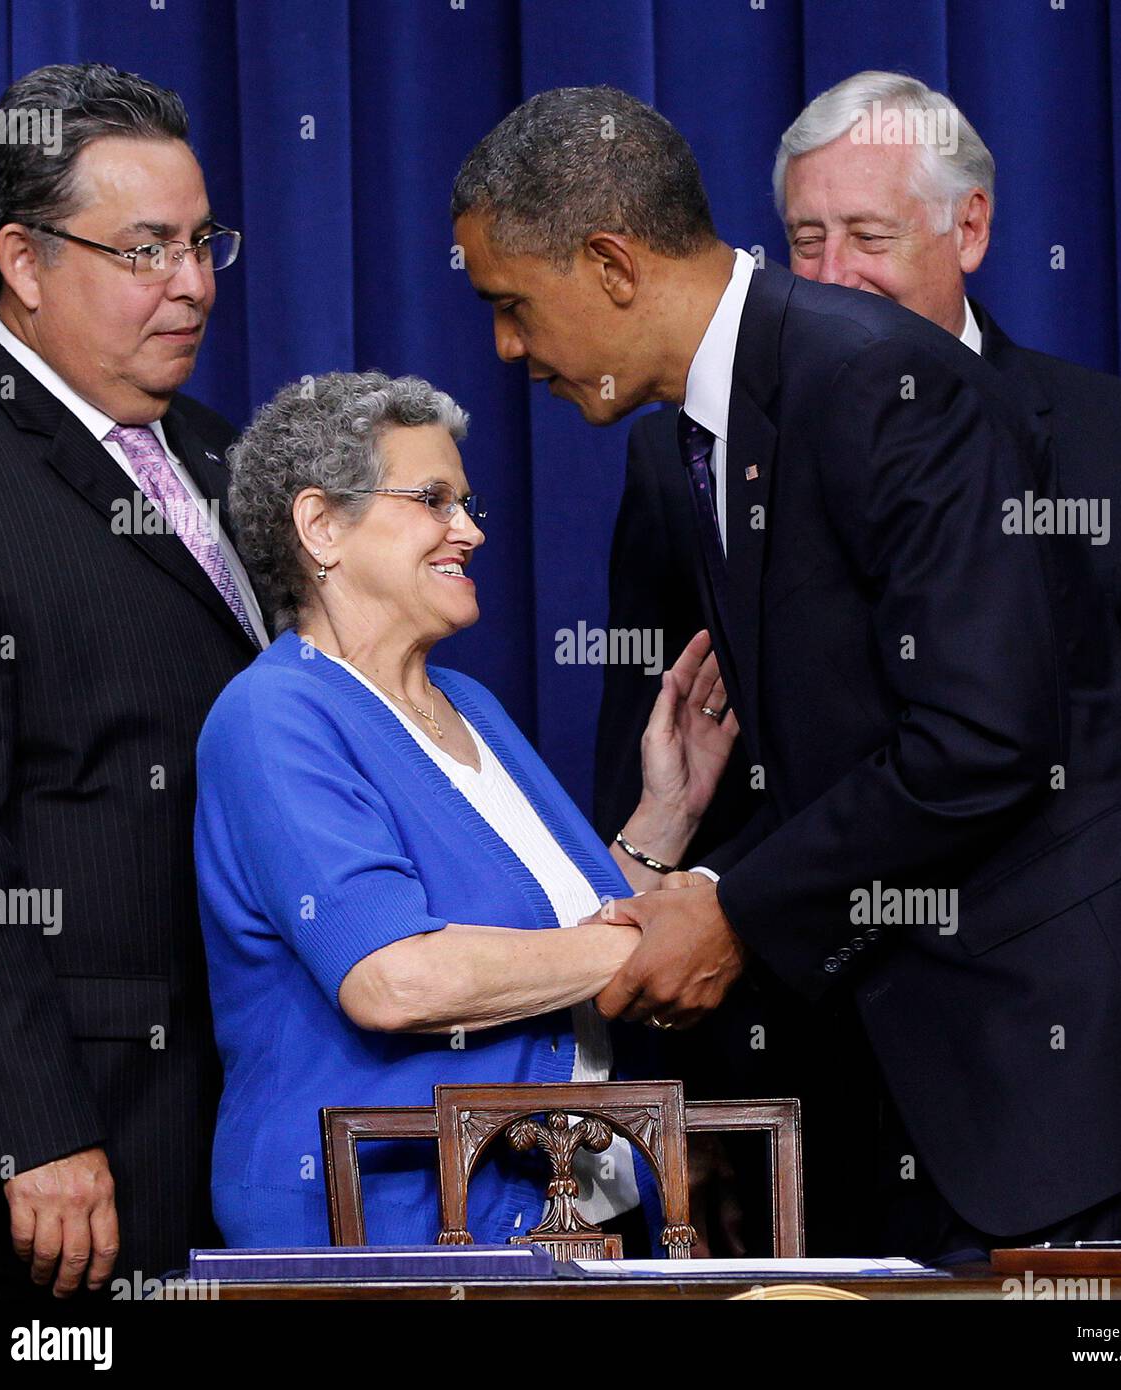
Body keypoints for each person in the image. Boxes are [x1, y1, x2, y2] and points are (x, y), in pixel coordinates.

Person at [451, 86, 1121, 1261]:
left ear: (612, 263)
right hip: (904, 1064)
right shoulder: (716, 421)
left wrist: (734, 907)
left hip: (1076, 1068)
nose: (507, 348)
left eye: (512, 304)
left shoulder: (883, 381)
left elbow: (985, 737)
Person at [194, 370, 736, 1248]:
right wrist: (661, 945)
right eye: (434, 501)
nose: (471, 530)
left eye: (469, 501)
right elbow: (393, 977)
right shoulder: (275, 717)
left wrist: (665, 819)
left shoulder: (468, 702)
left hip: (557, 1212)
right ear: (320, 525)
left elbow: (552, 925)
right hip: (393, 1230)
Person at [0, 63, 264, 1298]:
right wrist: (29, 1123)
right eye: (146, 252)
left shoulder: (210, 447)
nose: (192, 286)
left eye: (202, 244)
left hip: (232, 1108)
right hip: (75, 1142)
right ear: (26, 264)